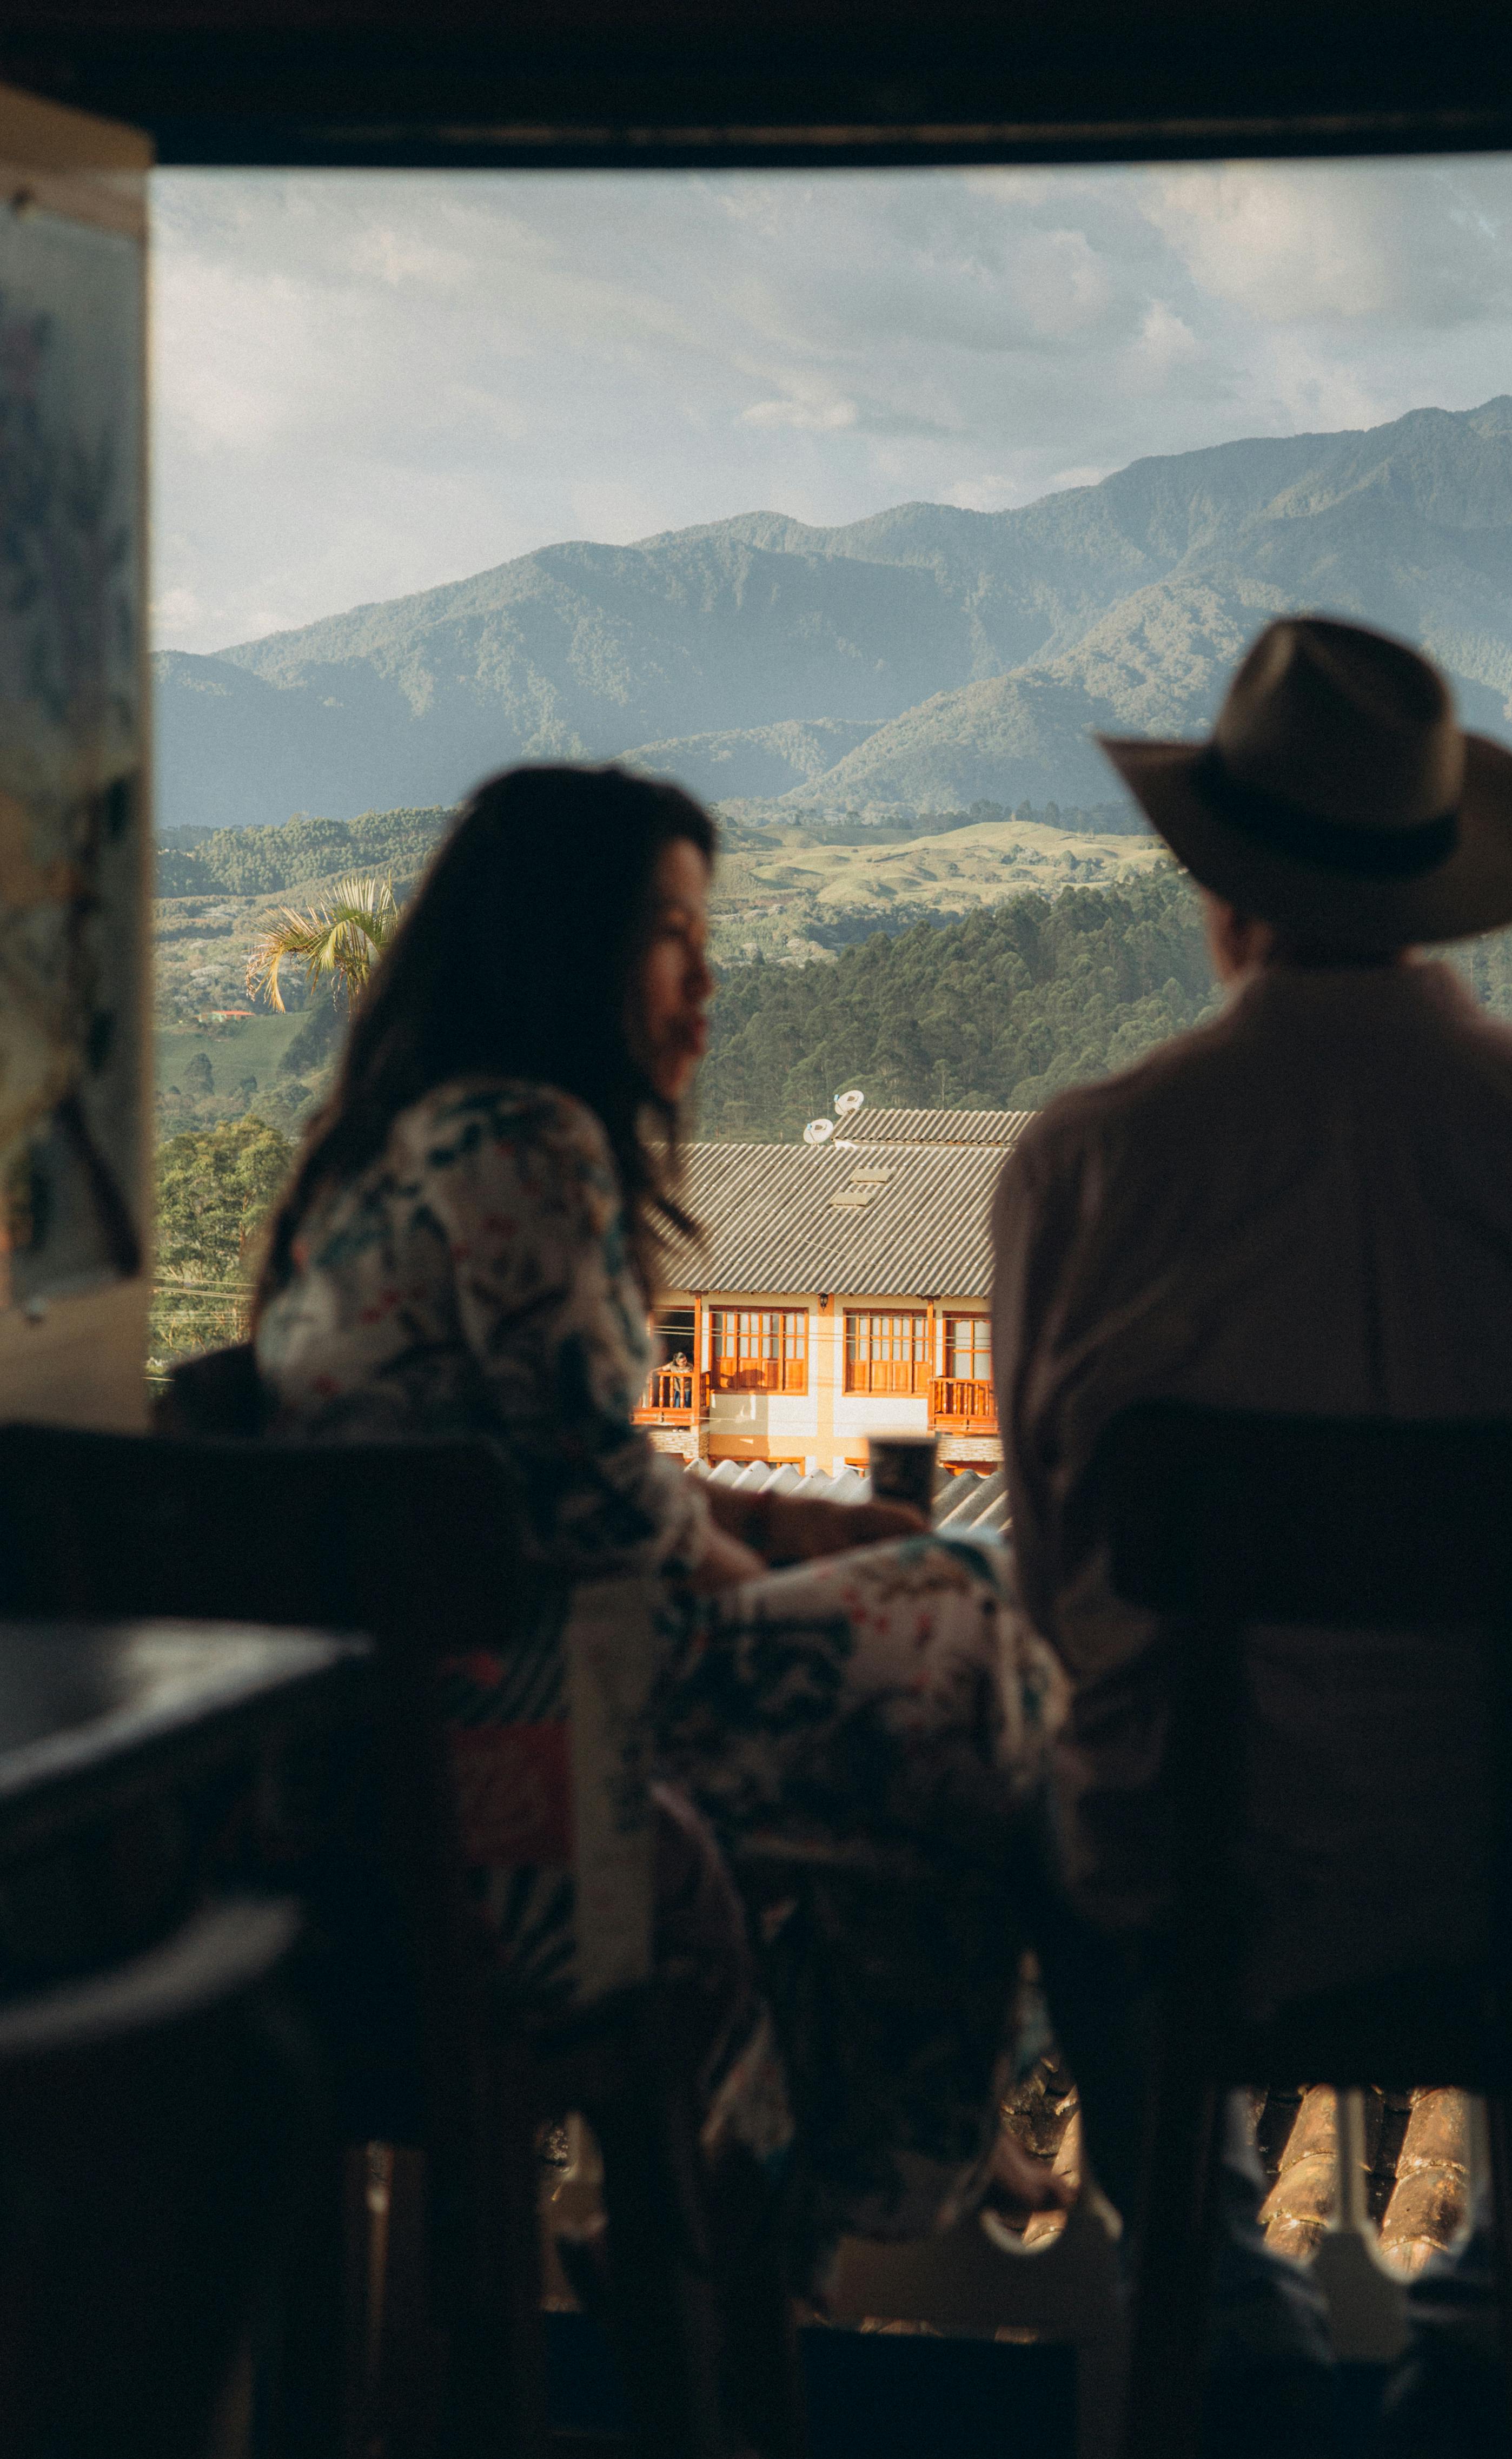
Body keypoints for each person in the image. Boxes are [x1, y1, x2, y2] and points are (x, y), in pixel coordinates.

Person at [993, 617, 1512, 2455]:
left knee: (1036, 1801)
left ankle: (1220, 2314)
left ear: (1220, 887)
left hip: (1193, 1881)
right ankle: (1506, 2324)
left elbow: (1055, 1590)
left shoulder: (1086, 1165)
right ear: (1437, 885)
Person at [251, 763, 1065, 2297]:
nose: (709, 976)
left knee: (946, 1632)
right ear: (569, 947)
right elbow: (596, 1492)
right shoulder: (527, 1142)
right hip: (498, 1765)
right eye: (672, 932)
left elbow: (564, 1467)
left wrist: (795, 1544)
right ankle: (870, 2162)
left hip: (405, 1739)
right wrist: (777, 1566)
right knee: (971, 1630)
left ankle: (770, 2195)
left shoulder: (399, 1143)